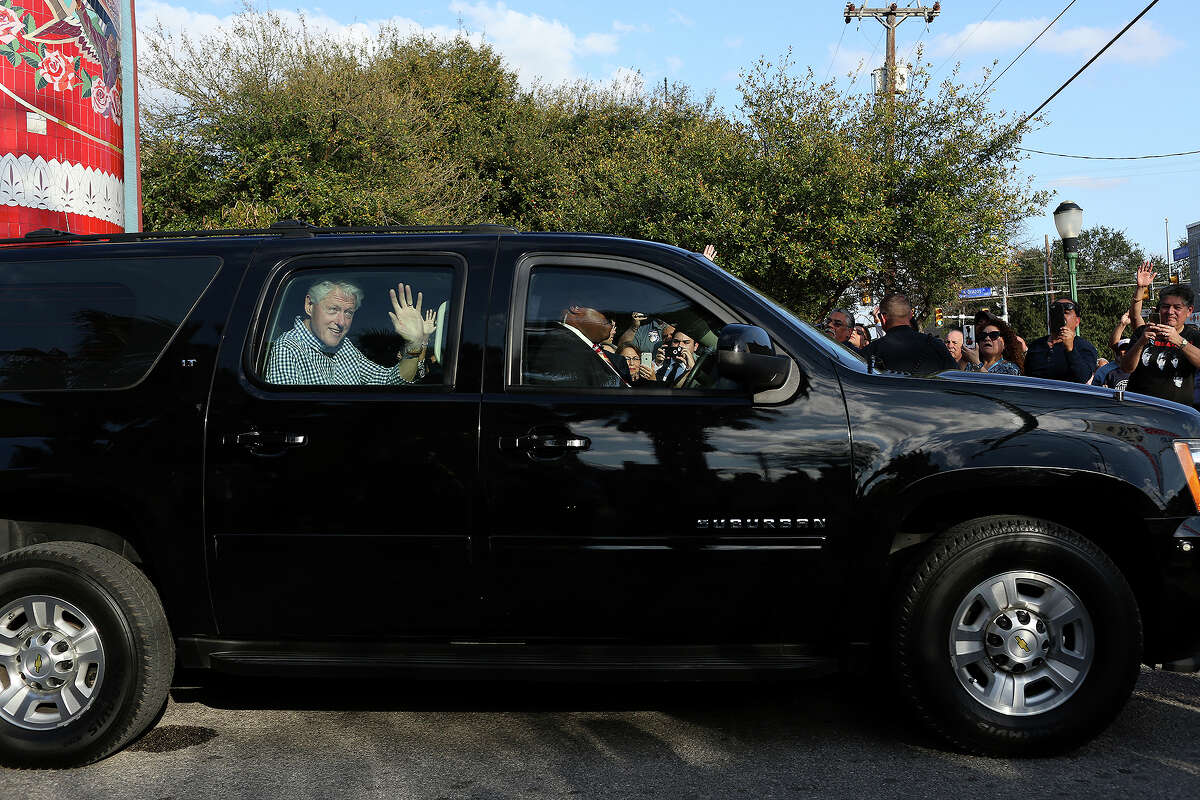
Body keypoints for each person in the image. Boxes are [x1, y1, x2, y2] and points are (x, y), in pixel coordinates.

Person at [264, 280, 435, 385]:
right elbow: (287, 415)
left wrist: (415, 343)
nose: (341, 322)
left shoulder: (344, 347)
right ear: (309, 306)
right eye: (332, 309)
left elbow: (387, 381)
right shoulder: (288, 349)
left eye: (348, 313)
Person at [1121, 284, 1200, 407]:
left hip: (1177, 412)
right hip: (1139, 409)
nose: (1170, 312)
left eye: (1177, 307)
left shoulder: (1194, 336)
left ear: (1189, 311)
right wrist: (1141, 342)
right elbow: (1126, 368)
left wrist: (1180, 341)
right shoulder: (1143, 331)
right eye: (1165, 306)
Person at [524, 304, 631, 387]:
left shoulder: (578, 345)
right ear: (576, 308)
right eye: (605, 314)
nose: (612, 323)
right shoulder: (562, 349)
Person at [862, 293, 956, 374]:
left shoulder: (872, 351)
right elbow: (957, 377)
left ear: (883, 318)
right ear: (911, 315)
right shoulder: (935, 345)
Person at [1022, 298, 1097, 383]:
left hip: (1068, 395)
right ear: (1049, 321)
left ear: (1077, 321)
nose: (1060, 317)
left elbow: (1083, 377)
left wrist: (1071, 350)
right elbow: (1026, 378)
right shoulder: (1036, 346)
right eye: (1056, 313)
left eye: (1066, 313)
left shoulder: (1084, 347)